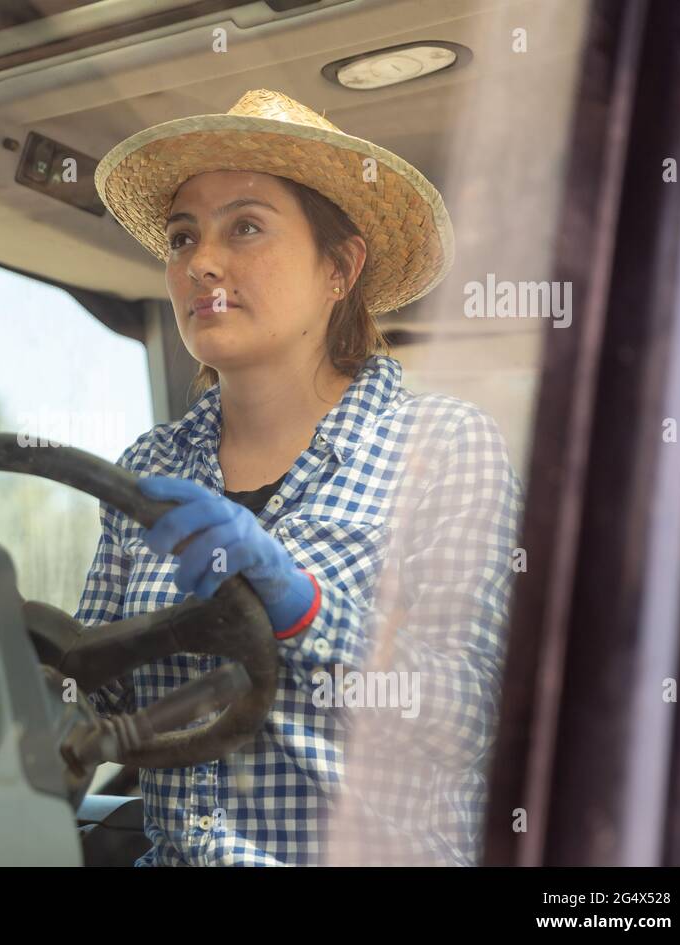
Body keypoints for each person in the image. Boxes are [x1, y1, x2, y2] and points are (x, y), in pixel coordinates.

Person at [74, 89, 522, 866]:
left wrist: (303, 606)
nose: (201, 261)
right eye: (183, 238)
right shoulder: (148, 467)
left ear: (339, 269)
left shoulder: (445, 447)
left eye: (245, 227)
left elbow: (467, 719)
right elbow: (91, 697)